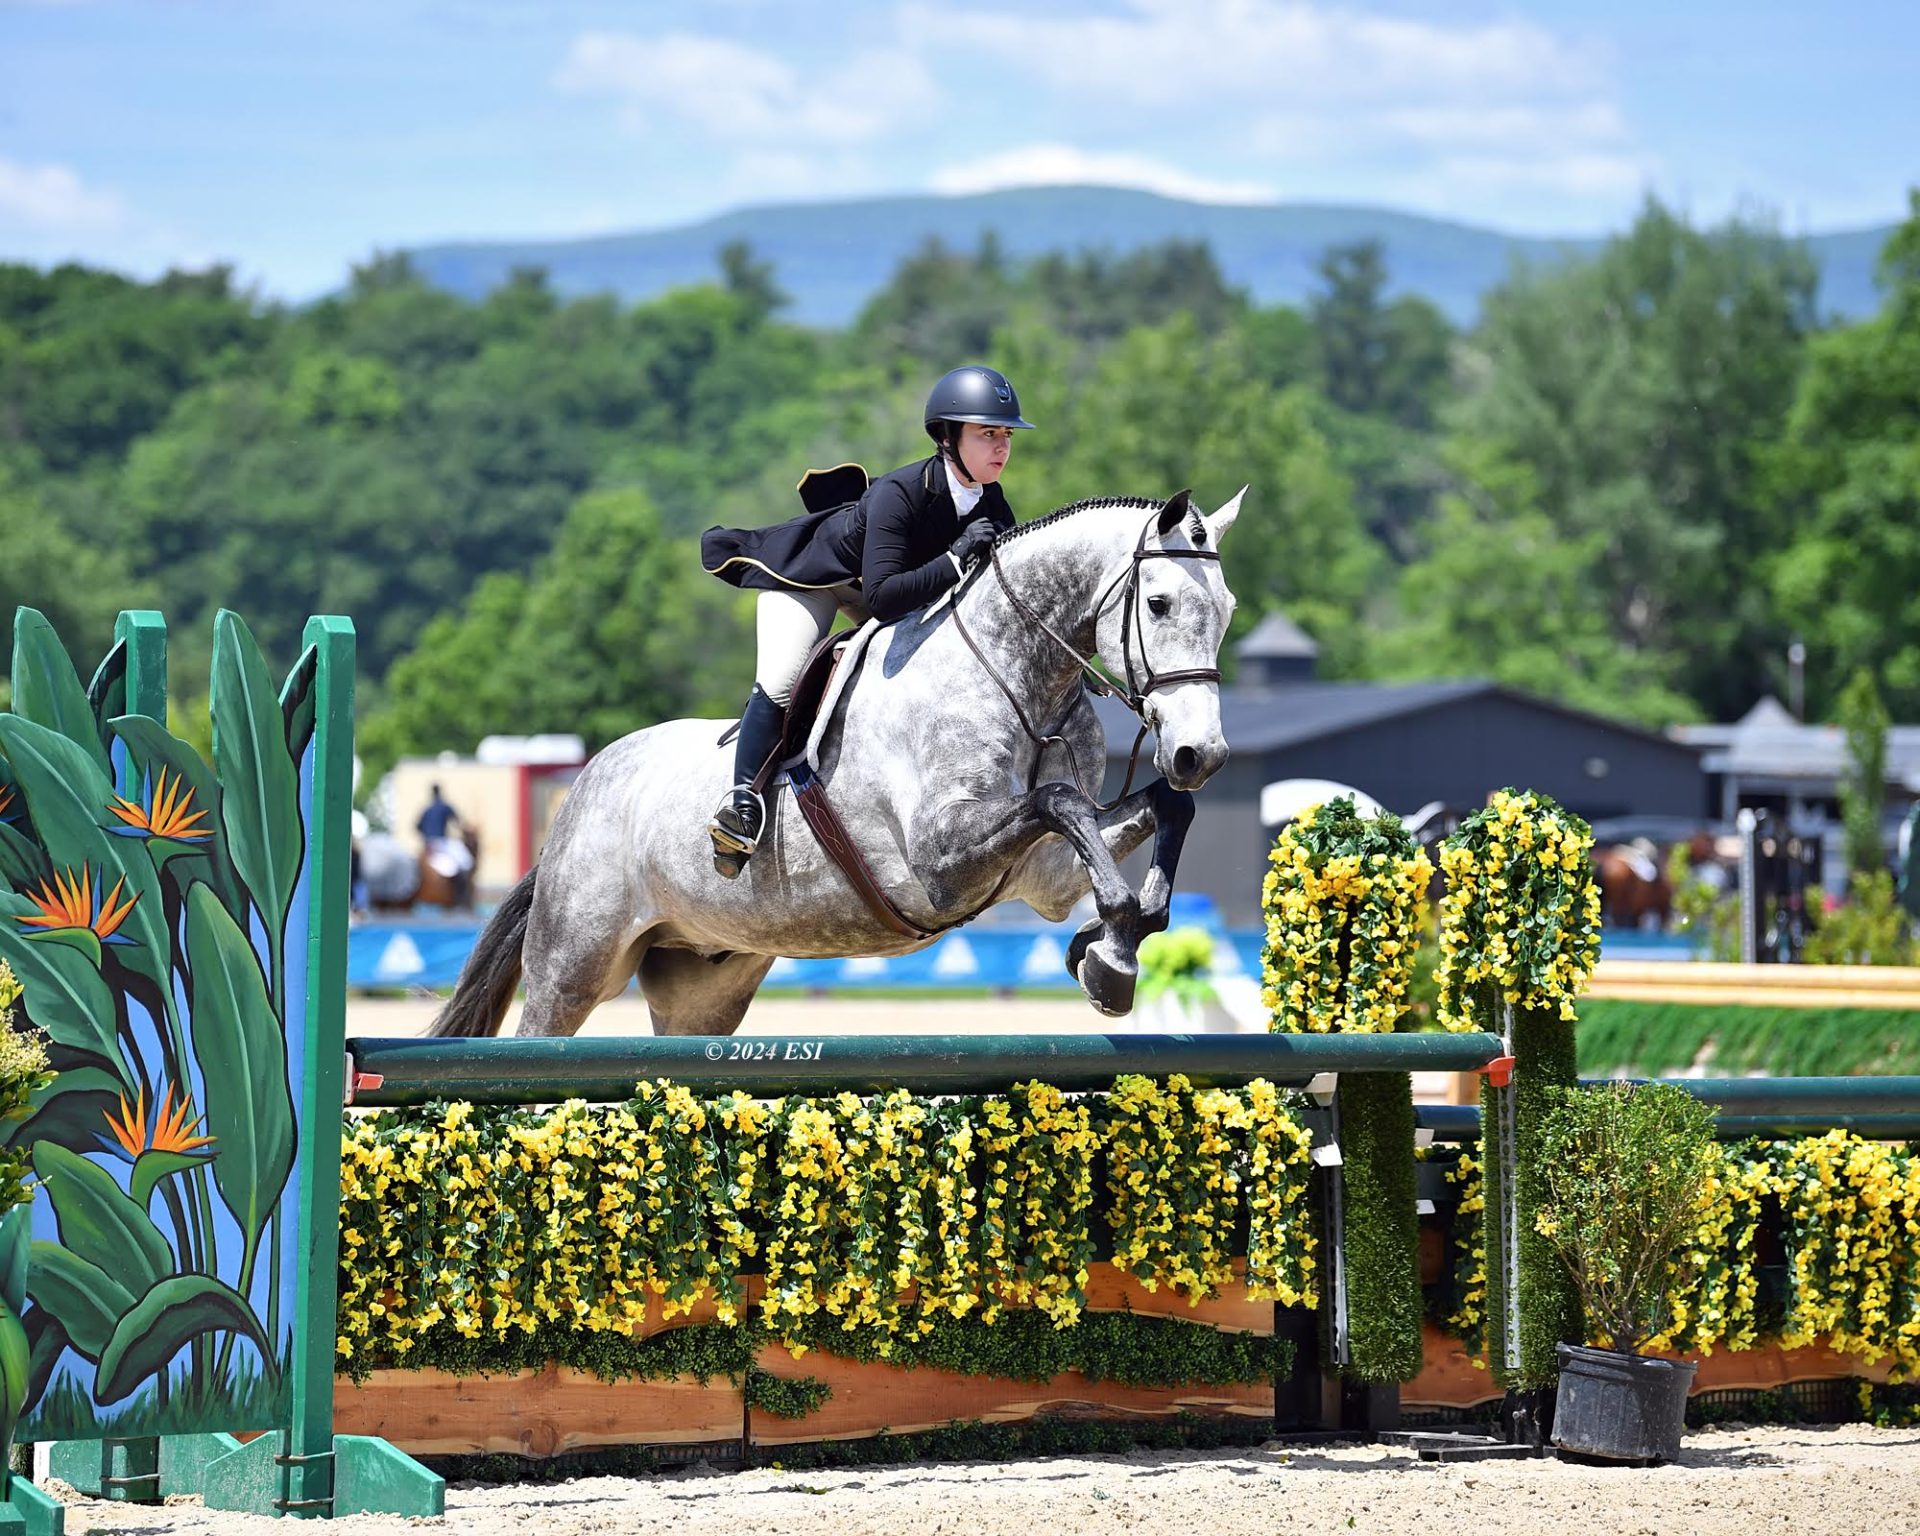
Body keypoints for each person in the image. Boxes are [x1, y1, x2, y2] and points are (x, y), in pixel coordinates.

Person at [699, 364, 1035, 876]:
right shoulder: (901, 493)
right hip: (814, 579)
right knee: (783, 682)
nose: (1001, 446)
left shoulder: (990, 499)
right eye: (987, 433)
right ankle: (742, 803)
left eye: (1006, 434)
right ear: (947, 437)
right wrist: (953, 560)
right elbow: (881, 598)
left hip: (889, 583)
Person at [416, 783, 474, 905]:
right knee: (464, 862)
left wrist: (425, 837)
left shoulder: (426, 809)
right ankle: (460, 896)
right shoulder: (444, 806)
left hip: (427, 844)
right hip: (440, 843)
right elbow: (457, 821)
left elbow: (417, 826)